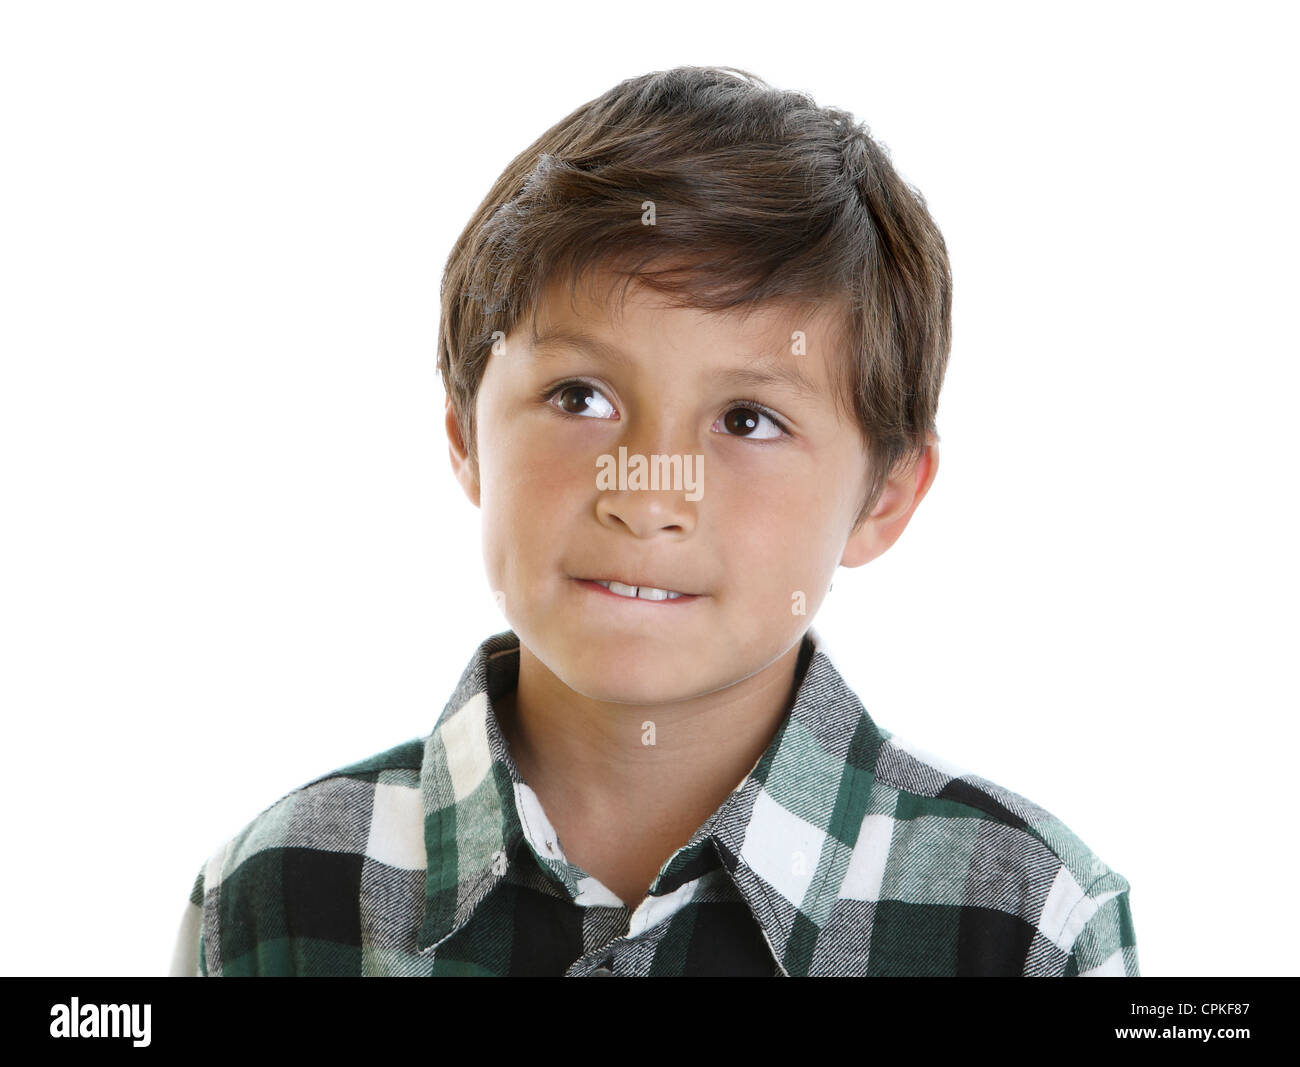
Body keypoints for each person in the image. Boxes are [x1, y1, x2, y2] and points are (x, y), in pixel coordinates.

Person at [170, 65, 1138, 977]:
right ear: (465, 432)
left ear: (883, 495)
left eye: (748, 419)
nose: (646, 489)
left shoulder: (1028, 924)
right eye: (580, 396)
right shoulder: (269, 896)